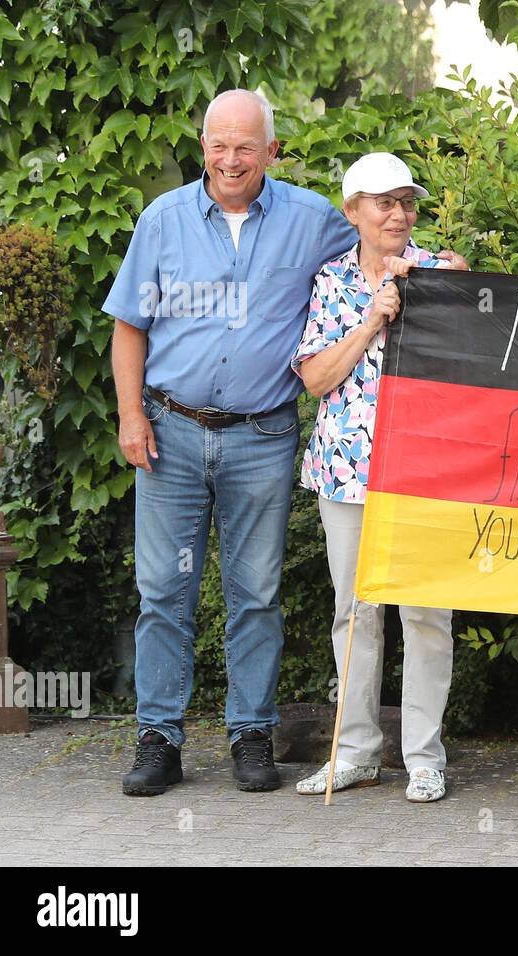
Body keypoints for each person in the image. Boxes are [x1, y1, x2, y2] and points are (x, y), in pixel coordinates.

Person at [106, 89, 359, 796]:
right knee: (163, 591)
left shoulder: (312, 221)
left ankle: (251, 734)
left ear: (271, 151)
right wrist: (131, 415)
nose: (231, 158)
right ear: (203, 148)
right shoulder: (162, 221)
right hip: (171, 433)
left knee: (255, 593)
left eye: (245, 145)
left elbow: (374, 256)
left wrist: (436, 269)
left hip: (263, 436)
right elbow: (128, 326)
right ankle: (158, 739)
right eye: (219, 143)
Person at [290, 152, 470, 803]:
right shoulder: (332, 282)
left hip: (426, 473)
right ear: (353, 212)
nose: (397, 213)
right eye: (382, 201)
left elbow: (482, 351)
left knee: (427, 614)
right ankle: (357, 751)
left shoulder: (442, 273)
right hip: (346, 474)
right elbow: (315, 378)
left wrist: (448, 290)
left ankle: (424, 757)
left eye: (405, 201)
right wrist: (372, 318)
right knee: (356, 613)